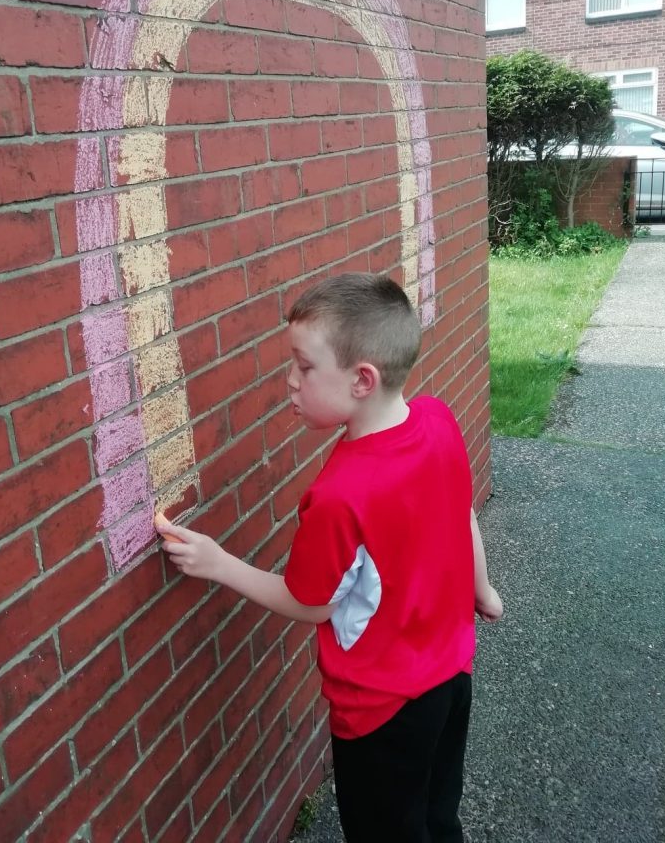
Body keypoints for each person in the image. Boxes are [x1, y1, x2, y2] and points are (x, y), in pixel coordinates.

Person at [155, 272, 503, 843]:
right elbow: (462, 516)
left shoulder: (340, 496)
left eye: (304, 366)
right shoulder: (437, 420)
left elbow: (309, 603)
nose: (289, 381)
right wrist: (482, 590)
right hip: (451, 679)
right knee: (439, 818)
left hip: (381, 713)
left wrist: (218, 563)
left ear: (362, 379)